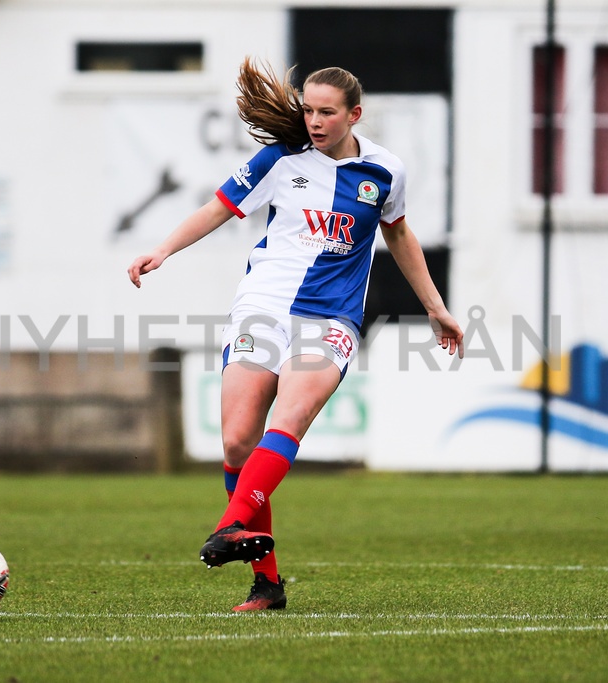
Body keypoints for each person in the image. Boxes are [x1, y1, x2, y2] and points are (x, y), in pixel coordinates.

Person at [127, 57, 464, 612]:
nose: (313, 120)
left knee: (287, 418)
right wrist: (162, 250)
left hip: (329, 317)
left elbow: (400, 236)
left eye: (326, 112)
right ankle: (267, 585)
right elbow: (217, 208)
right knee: (237, 440)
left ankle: (231, 524)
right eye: (307, 109)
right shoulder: (279, 159)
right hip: (261, 307)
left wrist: (436, 307)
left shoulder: (384, 173)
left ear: (354, 115)